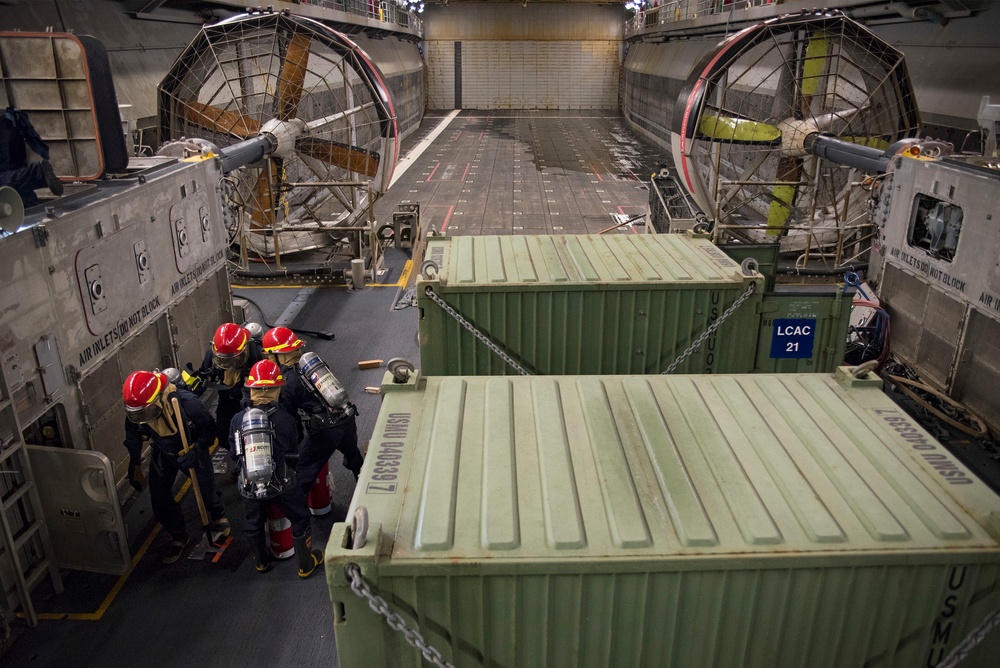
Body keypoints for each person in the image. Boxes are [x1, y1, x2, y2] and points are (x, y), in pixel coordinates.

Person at [122, 370, 230, 564]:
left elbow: (209, 429)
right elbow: (133, 434)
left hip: (190, 449)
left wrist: (197, 448)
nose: (142, 417)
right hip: (163, 452)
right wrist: (135, 462)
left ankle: (217, 514)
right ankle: (178, 534)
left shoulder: (188, 403)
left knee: (206, 490)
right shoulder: (139, 411)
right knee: (159, 498)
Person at [230, 360, 323, 578]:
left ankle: (261, 562)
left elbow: (234, 454)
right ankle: (305, 564)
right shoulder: (284, 418)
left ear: (251, 389)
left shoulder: (237, 419)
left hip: (250, 486)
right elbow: (293, 451)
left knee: (253, 523)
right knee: (300, 518)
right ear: (276, 389)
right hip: (282, 484)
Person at [261, 326, 364, 494]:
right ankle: (365, 487)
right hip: (347, 417)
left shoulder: (286, 382)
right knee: (354, 457)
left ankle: (299, 510)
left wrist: (296, 451)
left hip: (325, 431)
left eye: (270, 356)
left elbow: (291, 422)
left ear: (278, 355)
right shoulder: (314, 366)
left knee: (300, 478)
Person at [198, 322, 263, 450]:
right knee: (224, 436)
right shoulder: (212, 356)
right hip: (227, 398)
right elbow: (203, 377)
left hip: (252, 398)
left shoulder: (256, 354)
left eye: (233, 358)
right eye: (224, 360)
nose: (229, 363)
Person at [0, 107, 64, 206]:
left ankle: (38, 172)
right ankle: (27, 202)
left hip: (6, 125)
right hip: (10, 121)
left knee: (3, 179)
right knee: (15, 170)